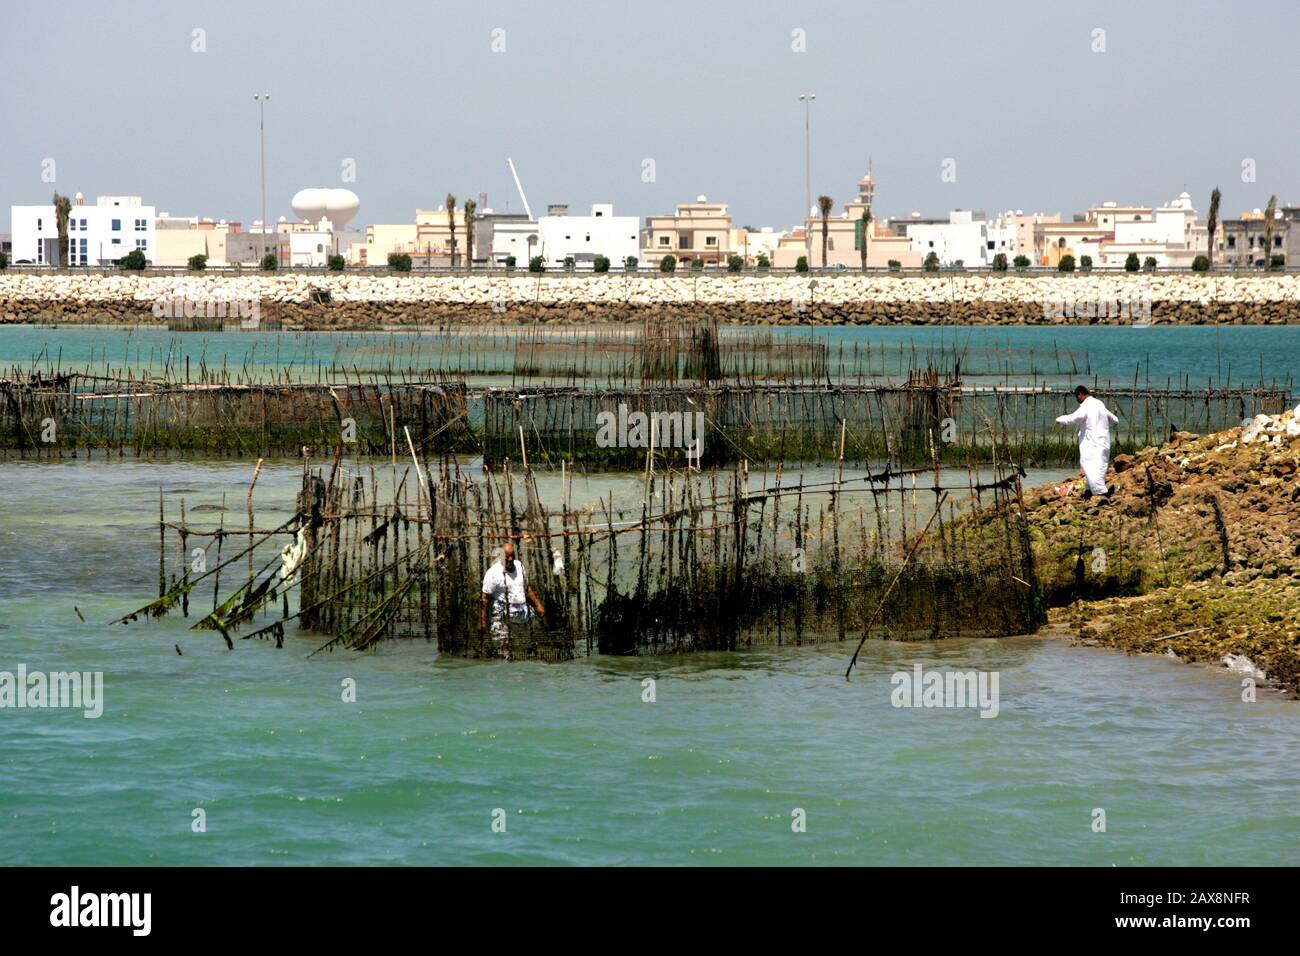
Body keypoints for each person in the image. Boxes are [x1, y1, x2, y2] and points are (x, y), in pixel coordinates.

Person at [479, 542, 545, 659]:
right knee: (504, 652)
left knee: (525, 649)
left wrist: (538, 605)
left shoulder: (519, 566)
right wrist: (483, 622)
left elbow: (527, 588)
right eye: (507, 556)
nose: (510, 559)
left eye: (512, 555)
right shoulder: (493, 573)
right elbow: (485, 599)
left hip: (521, 617)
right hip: (501, 619)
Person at [1056, 385, 1119, 498]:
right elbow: (1114, 419)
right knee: (1100, 466)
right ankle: (1090, 490)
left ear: (1080, 394)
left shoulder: (1086, 406)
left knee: (1090, 466)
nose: (1077, 400)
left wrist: (1059, 419)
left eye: (1077, 397)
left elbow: (1073, 418)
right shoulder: (1099, 403)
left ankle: (1101, 492)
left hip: (1092, 443)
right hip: (1104, 441)